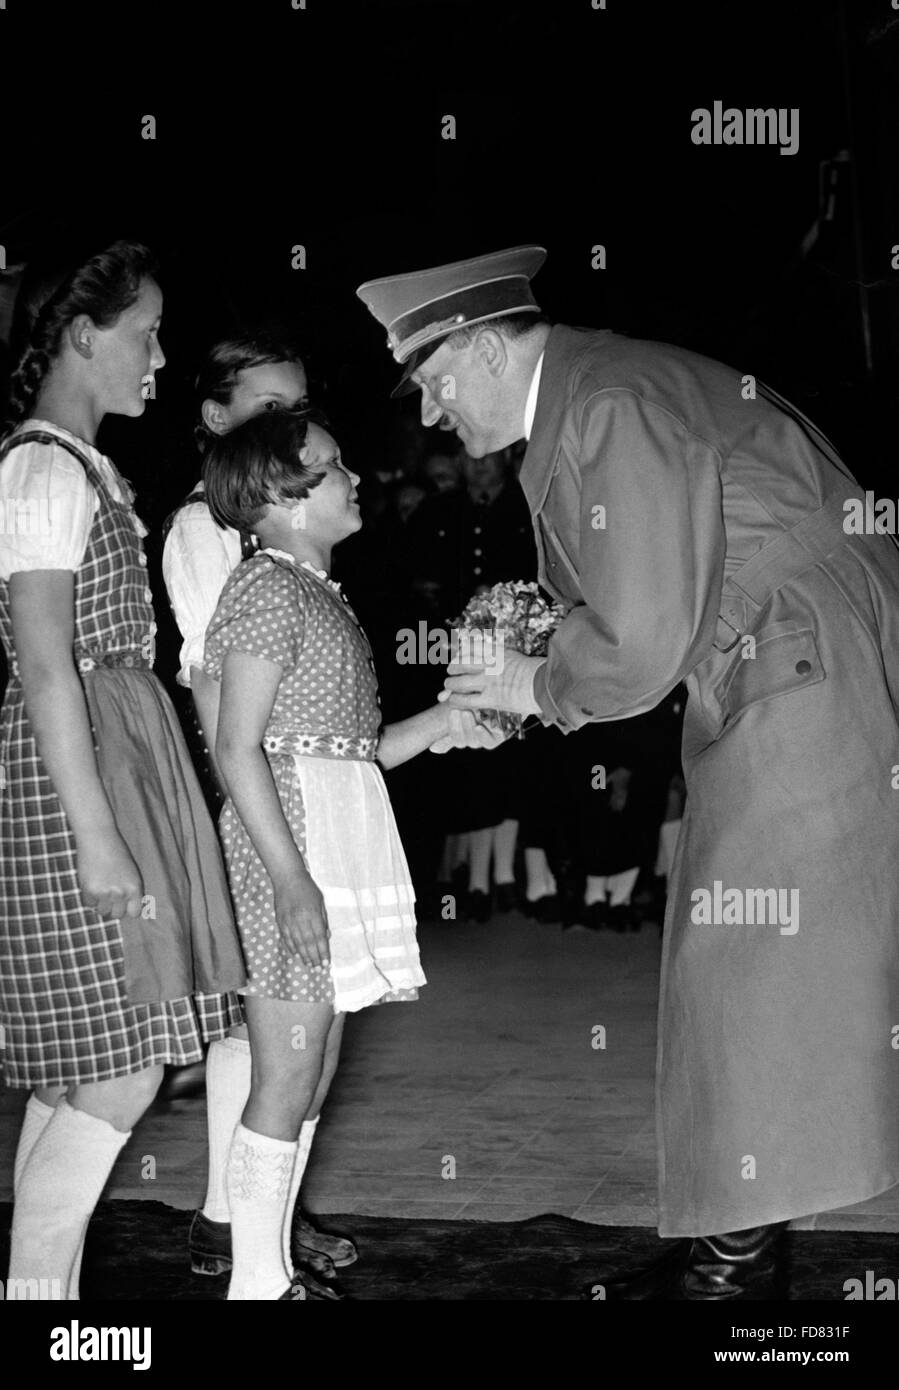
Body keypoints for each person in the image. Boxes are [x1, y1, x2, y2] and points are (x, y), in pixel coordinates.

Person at [357, 244, 899, 1300]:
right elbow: (630, 613)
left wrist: (529, 686)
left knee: (750, 960)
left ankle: (730, 1272)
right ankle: (732, 1247)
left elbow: (641, 644)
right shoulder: (602, 391)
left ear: (474, 349)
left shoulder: (605, 405)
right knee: (749, 964)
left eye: (430, 382)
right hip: (789, 656)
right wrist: (519, 677)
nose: (427, 415)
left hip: (799, 661)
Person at [200, 407, 498, 1300]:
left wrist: (446, 723)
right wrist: (291, 880)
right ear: (282, 500)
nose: (354, 477)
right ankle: (254, 1284)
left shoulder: (316, 590)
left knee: (313, 1069)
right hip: (288, 848)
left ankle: (276, 1270)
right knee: (286, 1072)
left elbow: (345, 751)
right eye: (331, 467)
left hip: (335, 834)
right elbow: (235, 745)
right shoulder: (264, 590)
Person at [0, 240, 246, 1300]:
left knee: (93, 1057)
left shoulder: (81, 465)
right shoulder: (41, 466)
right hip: (78, 769)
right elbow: (46, 664)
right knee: (120, 1061)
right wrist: (97, 831)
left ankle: (35, 1298)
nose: (159, 357)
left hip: (115, 751)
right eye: (144, 332)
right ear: (82, 334)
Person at [161, 334, 356, 1290]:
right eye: (268, 406)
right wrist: (247, 817)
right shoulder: (208, 532)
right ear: (214, 420)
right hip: (238, 783)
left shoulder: (289, 554)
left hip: (279, 778)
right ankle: (235, 1232)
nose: (290, 421)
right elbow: (212, 688)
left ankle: (253, 1226)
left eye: (300, 405)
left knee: (283, 1033)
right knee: (264, 1028)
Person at [399, 445, 537, 921]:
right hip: (447, 651)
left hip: (515, 657)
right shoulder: (439, 512)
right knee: (462, 761)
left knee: (513, 759)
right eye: (468, 457)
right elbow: (411, 577)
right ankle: (469, 879)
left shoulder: (526, 508)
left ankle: (504, 877)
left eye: (489, 457)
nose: (478, 465)